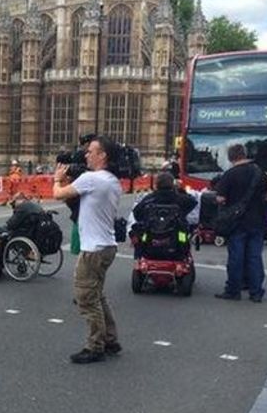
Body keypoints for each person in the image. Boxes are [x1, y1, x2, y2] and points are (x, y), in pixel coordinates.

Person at [53, 135, 122, 364]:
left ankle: (95, 346)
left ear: (102, 155)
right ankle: (110, 339)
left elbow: (58, 194)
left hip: (93, 249)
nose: (85, 155)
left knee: (86, 298)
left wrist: (57, 179)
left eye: (91, 151)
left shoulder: (92, 179)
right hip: (107, 246)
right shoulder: (112, 180)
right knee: (98, 295)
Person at [214, 144, 267, 302]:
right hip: (257, 221)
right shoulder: (259, 172)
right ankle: (256, 292)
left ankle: (233, 290)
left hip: (237, 223)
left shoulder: (229, 175)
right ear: (245, 154)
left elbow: (220, 198)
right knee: (254, 257)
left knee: (236, 257)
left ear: (231, 157)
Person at [130, 172, 197, 259]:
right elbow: (193, 202)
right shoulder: (181, 199)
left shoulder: (148, 199)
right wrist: (181, 191)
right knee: (185, 229)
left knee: (139, 230)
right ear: (173, 185)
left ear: (156, 185)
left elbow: (137, 214)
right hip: (178, 246)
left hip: (149, 246)